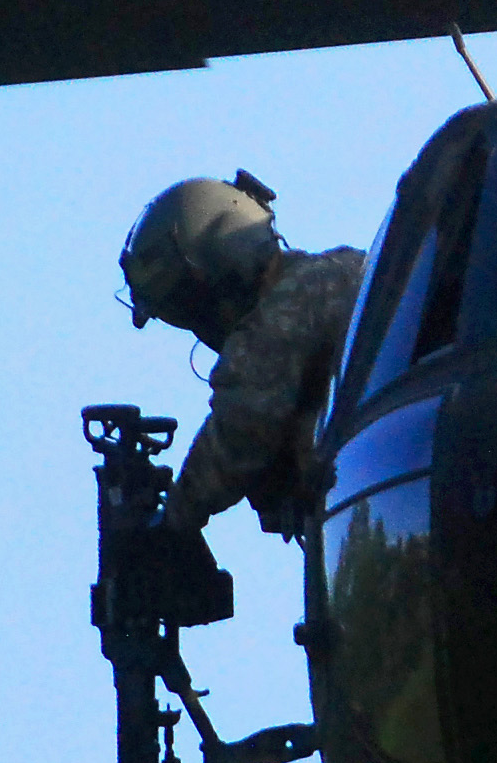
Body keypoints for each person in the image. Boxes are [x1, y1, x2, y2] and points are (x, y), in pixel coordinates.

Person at [117, 173, 367, 537]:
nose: (202, 329)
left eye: (192, 307)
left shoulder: (289, 306)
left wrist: (172, 520)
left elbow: (242, 431)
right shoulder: (345, 267)